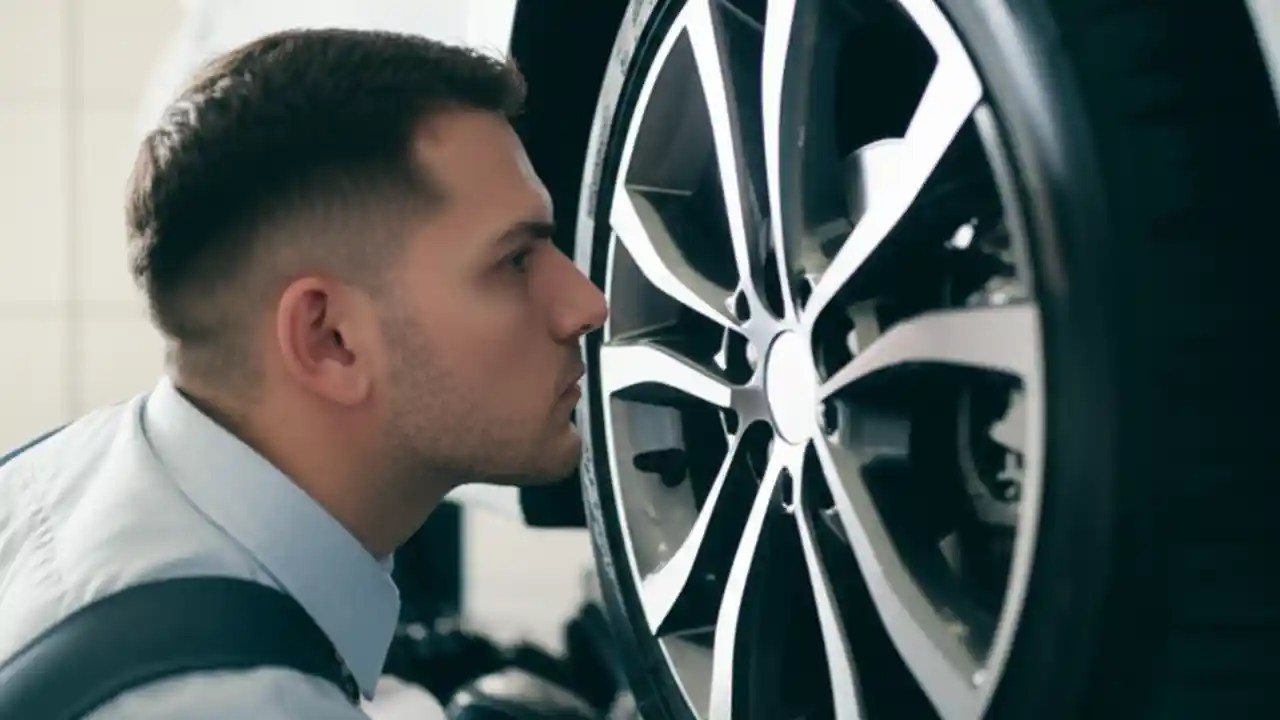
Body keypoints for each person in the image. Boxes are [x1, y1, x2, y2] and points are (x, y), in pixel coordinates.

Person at [0, 27, 608, 719]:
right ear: (330, 339)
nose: (588, 305)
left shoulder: (51, 479)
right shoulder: (240, 705)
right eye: (515, 261)